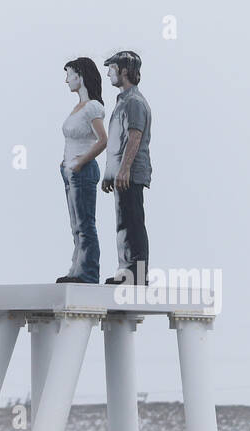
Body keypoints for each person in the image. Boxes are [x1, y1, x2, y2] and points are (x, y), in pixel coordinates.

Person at [100, 50, 152, 285]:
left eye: (112, 69)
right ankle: (127, 271)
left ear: (123, 71)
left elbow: (134, 136)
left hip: (130, 174)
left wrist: (124, 169)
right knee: (124, 223)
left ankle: (136, 275)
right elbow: (117, 141)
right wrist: (111, 172)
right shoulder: (123, 101)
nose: (109, 74)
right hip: (121, 173)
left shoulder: (134, 102)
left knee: (132, 223)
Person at [56, 58, 108, 284]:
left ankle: (88, 272)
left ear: (80, 75)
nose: (66, 80)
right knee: (75, 225)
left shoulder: (93, 107)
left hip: (83, 170)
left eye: (69, 74)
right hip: (69, 171)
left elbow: (103, 140)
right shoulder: (77, 107)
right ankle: (76, 269)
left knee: (85, 224)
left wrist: (81, 161)